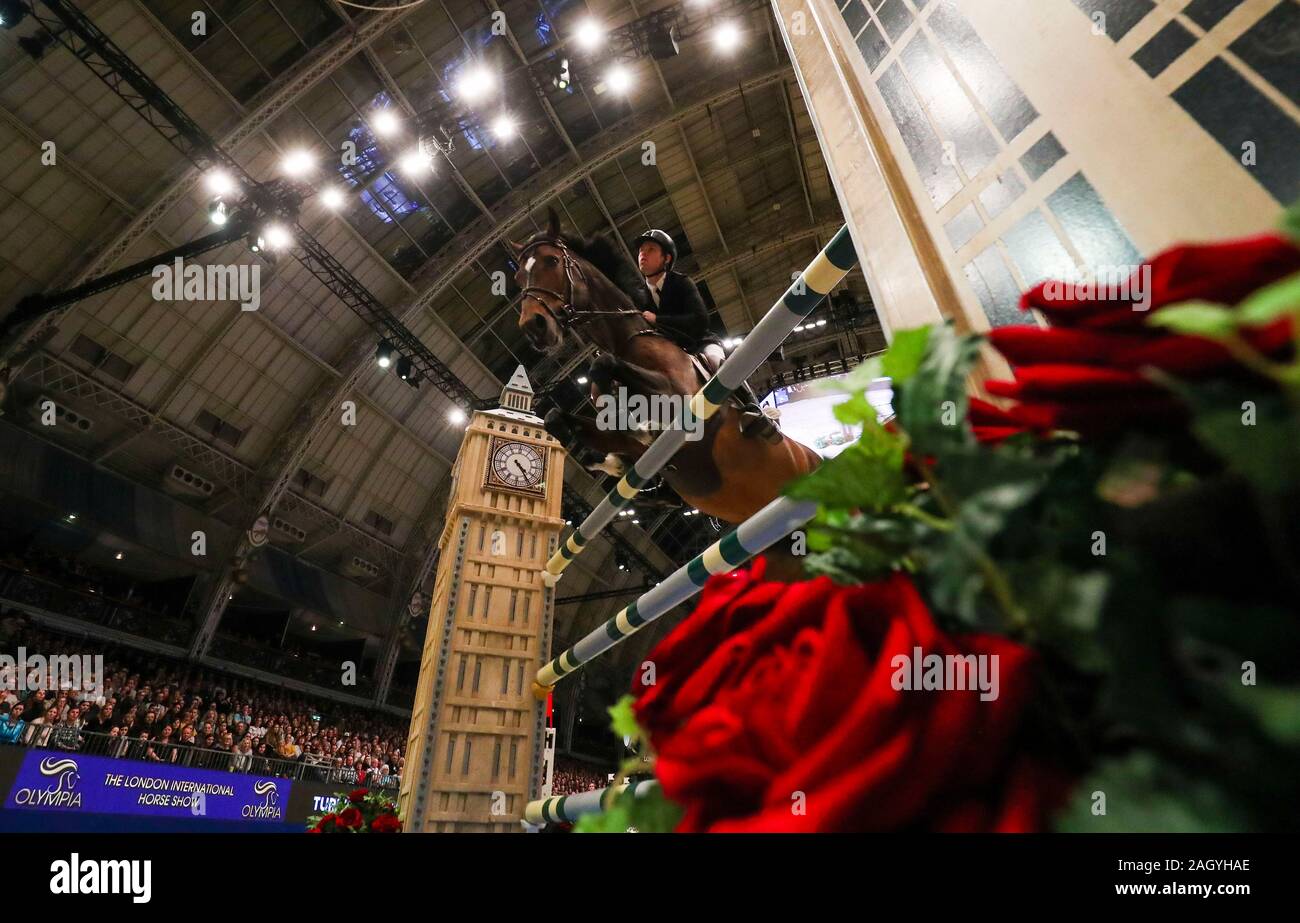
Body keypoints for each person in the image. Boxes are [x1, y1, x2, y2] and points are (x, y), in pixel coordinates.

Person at [631, 229, 780, 442]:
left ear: (667, 258)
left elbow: (700, 320)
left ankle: (753, 409)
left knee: (717, 361)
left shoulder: (681, 283)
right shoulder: (638, 297)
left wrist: (657, 320)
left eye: (650, 249)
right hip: (669, 352)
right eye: (640, 251)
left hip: (699, 342)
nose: (642, 255)